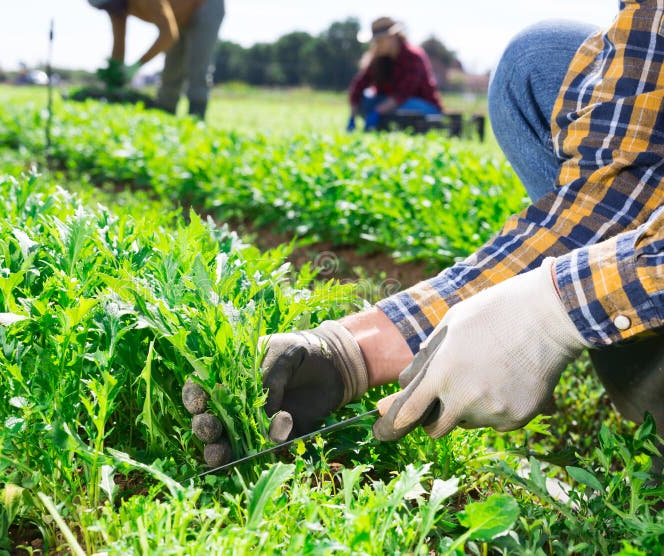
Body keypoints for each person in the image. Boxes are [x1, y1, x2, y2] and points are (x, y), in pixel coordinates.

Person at [257, 4, 664, 447]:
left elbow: (415, 90)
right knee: (534, 62)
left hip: (417, 108)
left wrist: (555, 312)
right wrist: (351, 353)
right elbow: (631, 181)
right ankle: (649, 374)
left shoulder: (411, 58)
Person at [88, 0, 225, 119]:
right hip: (178, 18)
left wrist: (137, 65)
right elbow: (118, 45)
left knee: (197, 68)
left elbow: (169, 35)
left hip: (205, 7)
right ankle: (166, 117)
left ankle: (196, 119)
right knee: (171, 73)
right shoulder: (116, 8)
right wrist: (115, 72)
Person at [347, 17, 443, 132]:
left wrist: (377, 111)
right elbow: (359, 84)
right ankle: (383, 124)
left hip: (423, 107)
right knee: (366, 99)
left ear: (393, 37)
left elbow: (403, 93)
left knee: (403, 106)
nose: (377, 44)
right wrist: (352, 116)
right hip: (392, 104)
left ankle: (388, 124)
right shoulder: (379, 58)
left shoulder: (414, 57)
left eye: (380, 40)